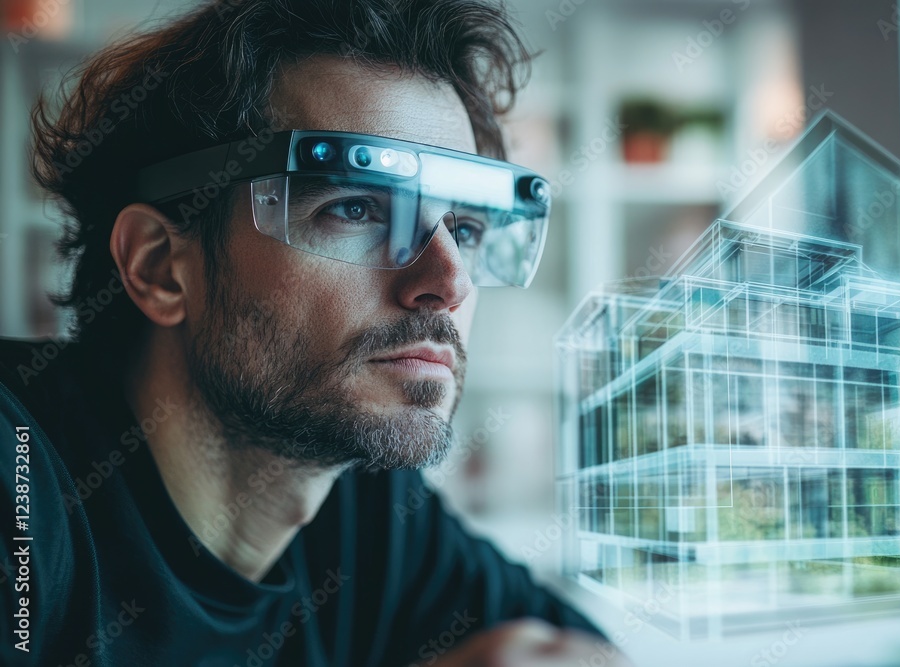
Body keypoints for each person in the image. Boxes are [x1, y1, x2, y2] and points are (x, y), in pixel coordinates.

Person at [0, 1, 634, 665]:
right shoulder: (22, 489)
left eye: (466, 230)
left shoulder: (367, 512)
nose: (449, 281)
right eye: (355, 208)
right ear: (160, 267)